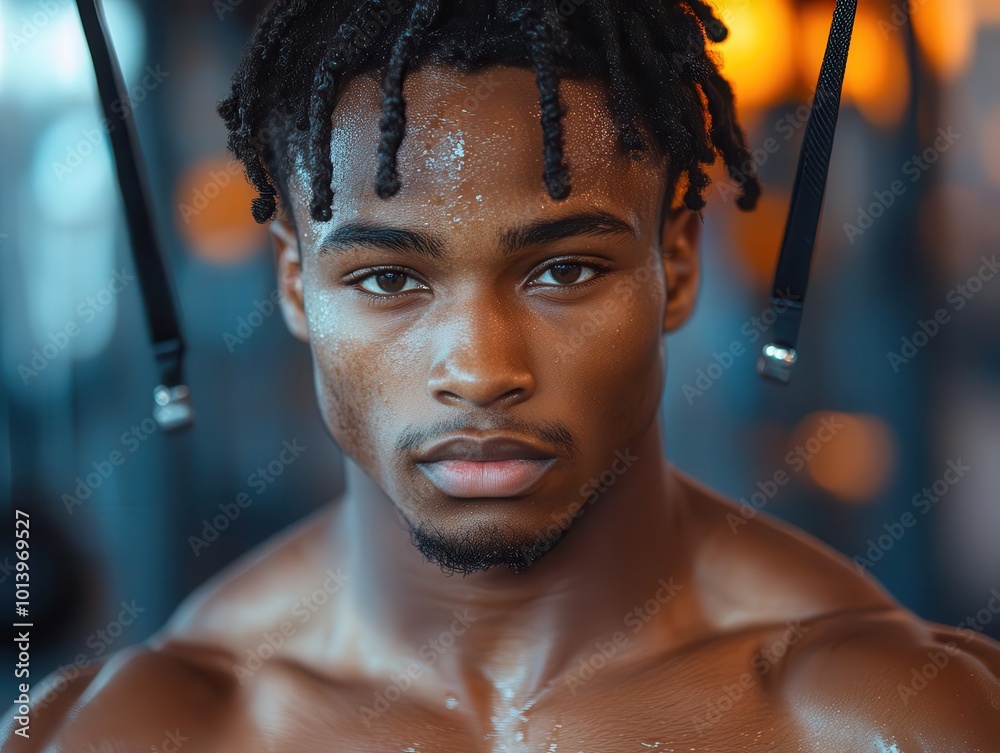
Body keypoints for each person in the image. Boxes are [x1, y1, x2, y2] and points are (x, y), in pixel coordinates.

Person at [5, 1, 999, 750]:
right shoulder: (130, 734)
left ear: (679, 266)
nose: (480, 371)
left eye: (564, 270)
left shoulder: (887, 720)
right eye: (389, 276)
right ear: (297, 287)